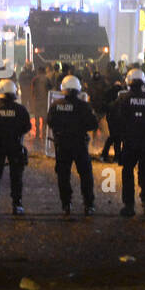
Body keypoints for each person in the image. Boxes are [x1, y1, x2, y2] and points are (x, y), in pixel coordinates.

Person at [47, 75, 98, 215]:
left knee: (63, 175)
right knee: (86, 175)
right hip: (79, 144)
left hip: (62, 145)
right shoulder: (84, 106)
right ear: (78, 89)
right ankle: (88, 204)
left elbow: (50, 122)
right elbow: (93, 124)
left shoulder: (55, 105)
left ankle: (66, 204)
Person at [115, 69, 145, 217]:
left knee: (128, 173)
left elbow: (118, 120)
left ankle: (129, 206)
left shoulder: (124, 99)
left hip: (129, 142)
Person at [0, 78, 31, 215]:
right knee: (16, 177)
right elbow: (27, 127)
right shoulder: (20, 109)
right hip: (15, 146)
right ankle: (17, 204)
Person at [99, 74, 125, 161]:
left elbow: (104, 105)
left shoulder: (109, 92)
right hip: (119, 117)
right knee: (116, 137)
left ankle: (110, 154)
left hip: (112, 117)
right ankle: (115, 155)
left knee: (114, 136)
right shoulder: (123, 92)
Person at [31, 64, 52, 140]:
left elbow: (32, 91)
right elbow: (50, 90)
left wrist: (33, 99)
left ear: (38, 71)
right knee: (44, 117)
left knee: (37, 117)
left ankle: (37, 133)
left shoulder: (35, 79)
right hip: (45, 100)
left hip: (37, 101)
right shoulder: (47, 79)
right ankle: (44, 133)